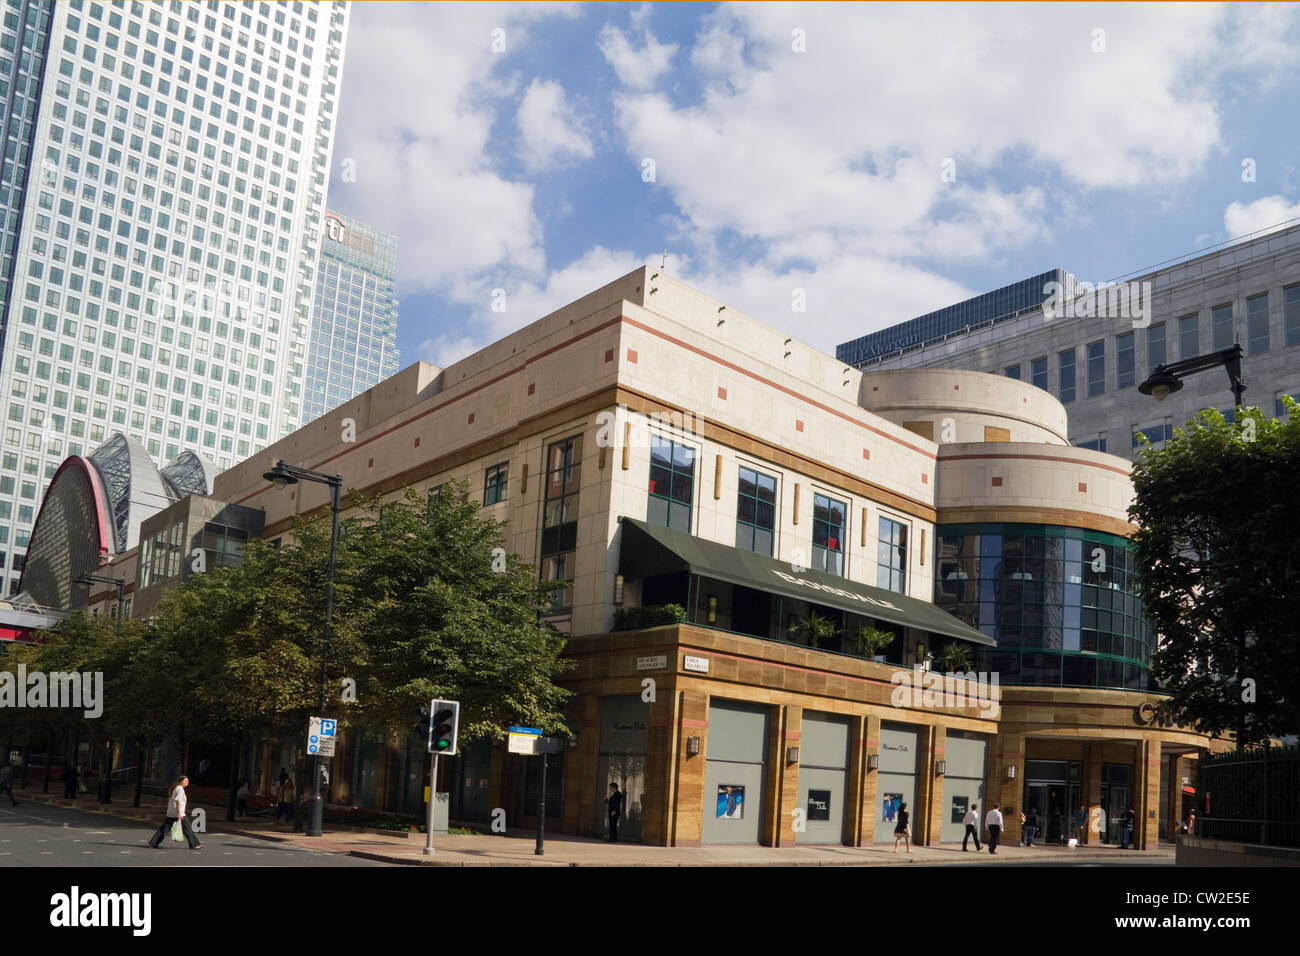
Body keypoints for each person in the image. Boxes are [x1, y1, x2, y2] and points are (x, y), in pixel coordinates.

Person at [148, 775, 202, 850]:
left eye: (188, 781)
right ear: (181, 781)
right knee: (188, 828)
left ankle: (153, 843)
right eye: (185, 781)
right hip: (178, 813)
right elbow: (178, 801)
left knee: (165, 828)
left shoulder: (176, 788)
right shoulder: (179, 789)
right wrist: (179, 813)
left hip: (171, 813)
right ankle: (194, 844)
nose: (187, 782)